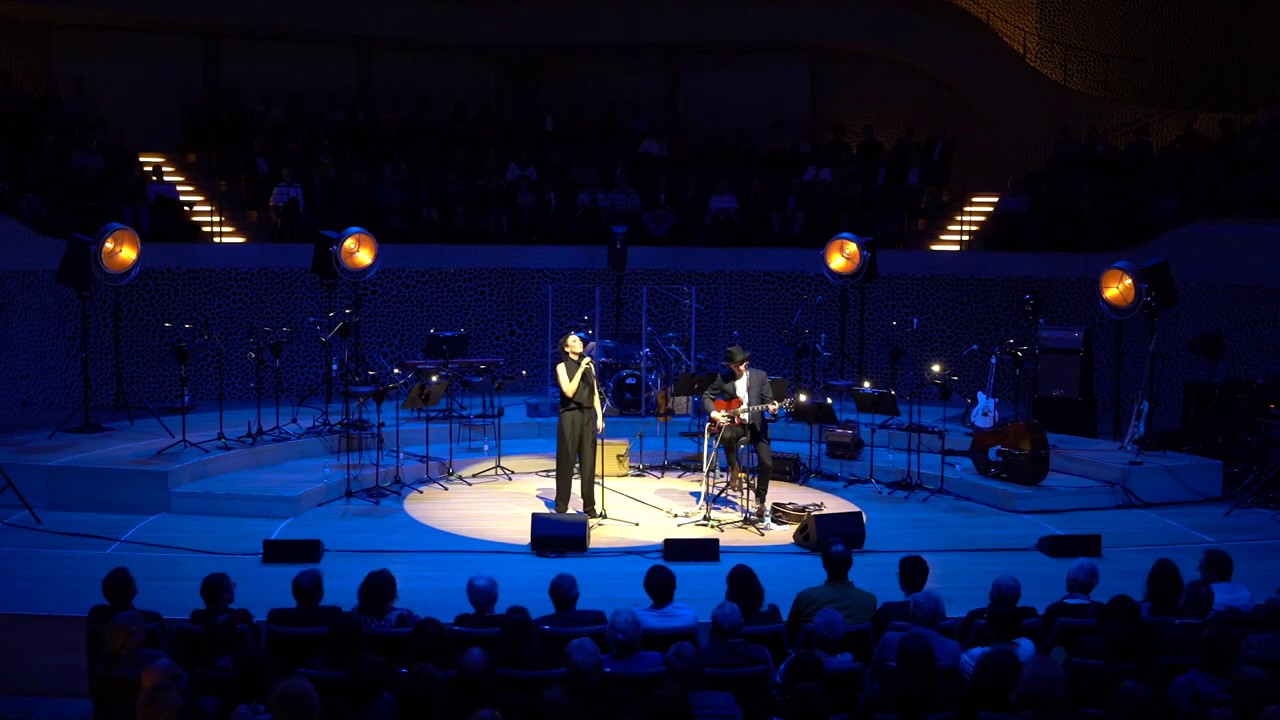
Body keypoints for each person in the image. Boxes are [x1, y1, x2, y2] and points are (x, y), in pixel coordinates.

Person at [703, 344, 778, 519]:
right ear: (730, 366)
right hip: (735, 424)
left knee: (767, 464)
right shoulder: (724, 378)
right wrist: (714, 414)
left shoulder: (760, 376)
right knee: (726, 434)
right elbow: (707, 396)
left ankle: (760, 501)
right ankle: (733, 467)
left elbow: (768, 401)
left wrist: (772, 408)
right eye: (737, 363)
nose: (742, 365)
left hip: (756, 427)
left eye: (743, 361)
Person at [555, 333, 603, 517]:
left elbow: (594, 393)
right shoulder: (562, 367)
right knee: (567, 461)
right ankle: (561, 506)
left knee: (588, 464)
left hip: (587, 416)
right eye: (574, 341)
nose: (579, 342)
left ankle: (589, 508)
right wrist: (581, 369)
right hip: (570, 416)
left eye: (579, 340)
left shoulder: (590, 367)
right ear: (567, 348)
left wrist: (599, 416)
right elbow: (568, 391)